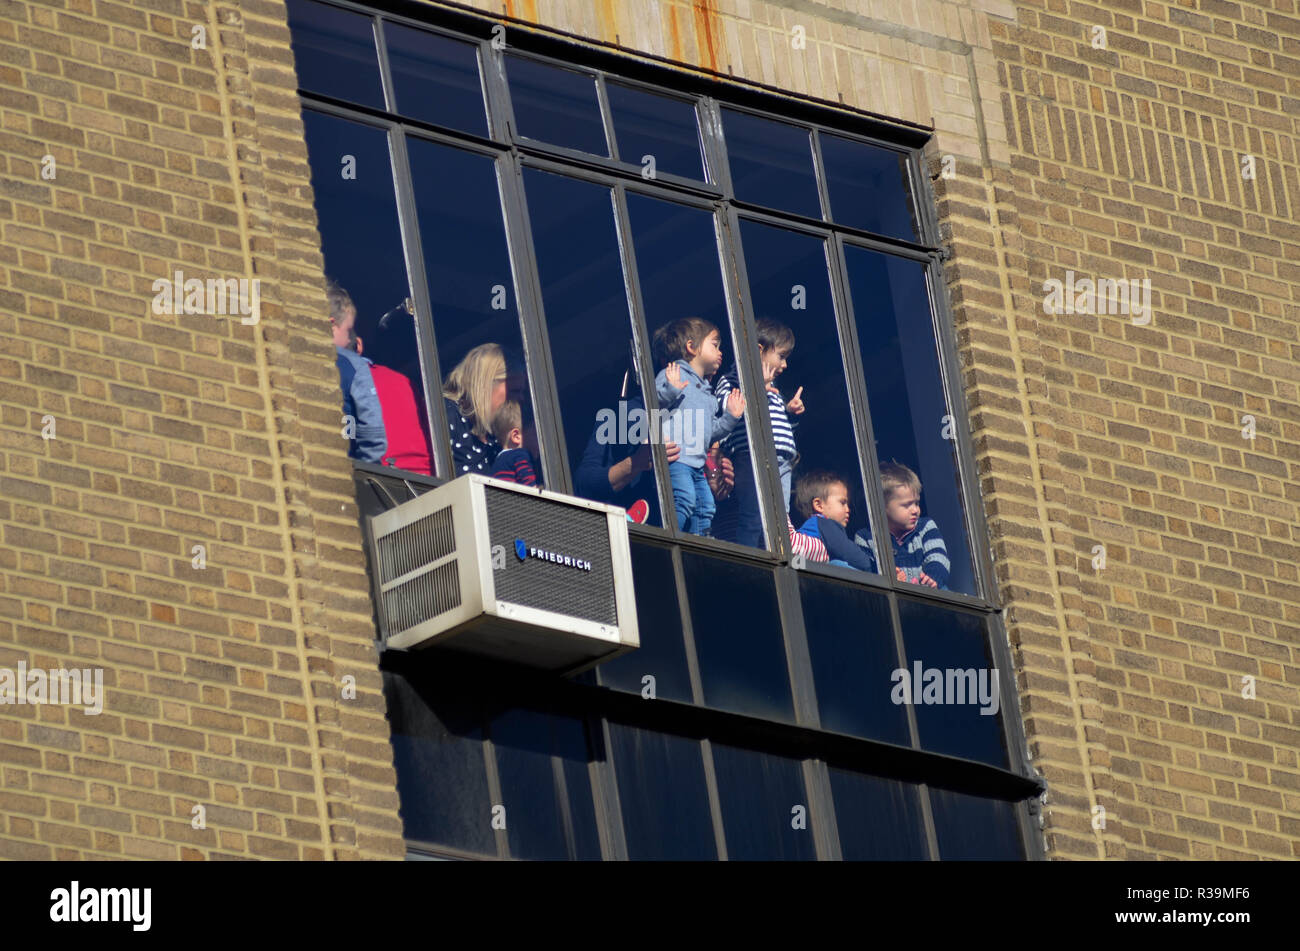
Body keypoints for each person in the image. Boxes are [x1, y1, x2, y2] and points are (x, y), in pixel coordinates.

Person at [713, 318, 805, 546]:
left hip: (781, 460)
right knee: (753, 516)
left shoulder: (772, 389)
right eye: (781, 356)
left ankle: (778, 558)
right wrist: (756, 388)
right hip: (751, 458)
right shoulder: (731, 380)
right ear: (758, 351)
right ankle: (752, 560)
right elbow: (730, 411)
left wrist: (790, 414)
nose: (784, 365)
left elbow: (777, 425)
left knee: (780, 520)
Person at [653, 318, 744, 536]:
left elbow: (712, 431)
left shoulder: (706, 391)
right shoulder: (673, 374)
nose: (720, 352)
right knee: (683, 498)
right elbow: (652, 403)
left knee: (706, 508)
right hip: (678, 459)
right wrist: (670, 390)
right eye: (715, 345)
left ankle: (697, 549)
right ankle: (667, 539)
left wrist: (731, 417)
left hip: (697, 465)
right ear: (691, 347)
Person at [855, 461, 950, 588]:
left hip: (928, 595)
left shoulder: (925, 527)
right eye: (907, 505)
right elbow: (865, 570)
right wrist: (888, 577)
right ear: (882, 507)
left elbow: (938, 556)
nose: (915, 510)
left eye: (916, 503)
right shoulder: (866, 537)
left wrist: (933, 576)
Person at [327, 280, 386, 463]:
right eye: (348, 330)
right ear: (331, 326)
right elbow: (372, 429)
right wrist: (369, 470)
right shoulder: (353, 364)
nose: (349, 341)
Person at [442, 342, 507, 476]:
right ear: (486, 385)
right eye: (515, 390)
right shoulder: (447, 416)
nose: (520, 399)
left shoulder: (496, 437)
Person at [793, 470, 873, 570]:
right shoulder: (824, 523)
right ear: (819, 505)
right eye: (842, 502)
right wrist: (874, 567)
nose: (848, 509)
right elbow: (847, 551)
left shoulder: (816, 525)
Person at [487, 400, 540, 486]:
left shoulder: (498, 461)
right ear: (516, 436)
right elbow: (530, 486)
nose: (540, 442)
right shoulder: (520, 455)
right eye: (536, 434)